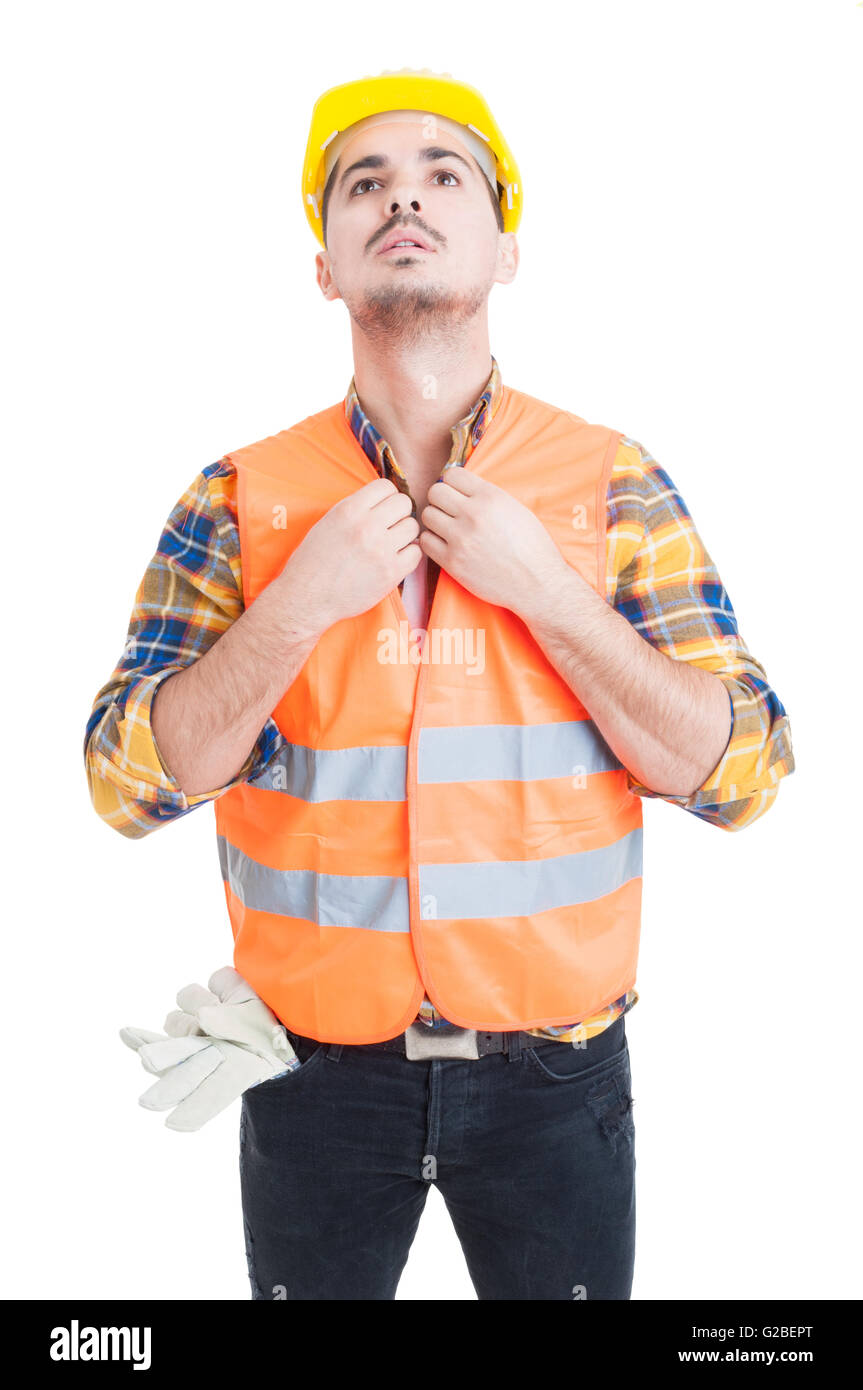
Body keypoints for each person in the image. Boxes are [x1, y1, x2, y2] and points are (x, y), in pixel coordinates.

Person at [84, 68, 795, 1301]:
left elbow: (742, 775)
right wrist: (302, 596)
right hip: (308, 1074)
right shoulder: (237, 499)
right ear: (325, 263)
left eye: (439, 176)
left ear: (502, 245)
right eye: (363, 183)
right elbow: (125, 782)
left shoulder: (608, 482)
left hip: (555, 1081)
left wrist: (546, 591)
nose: (400, 199)